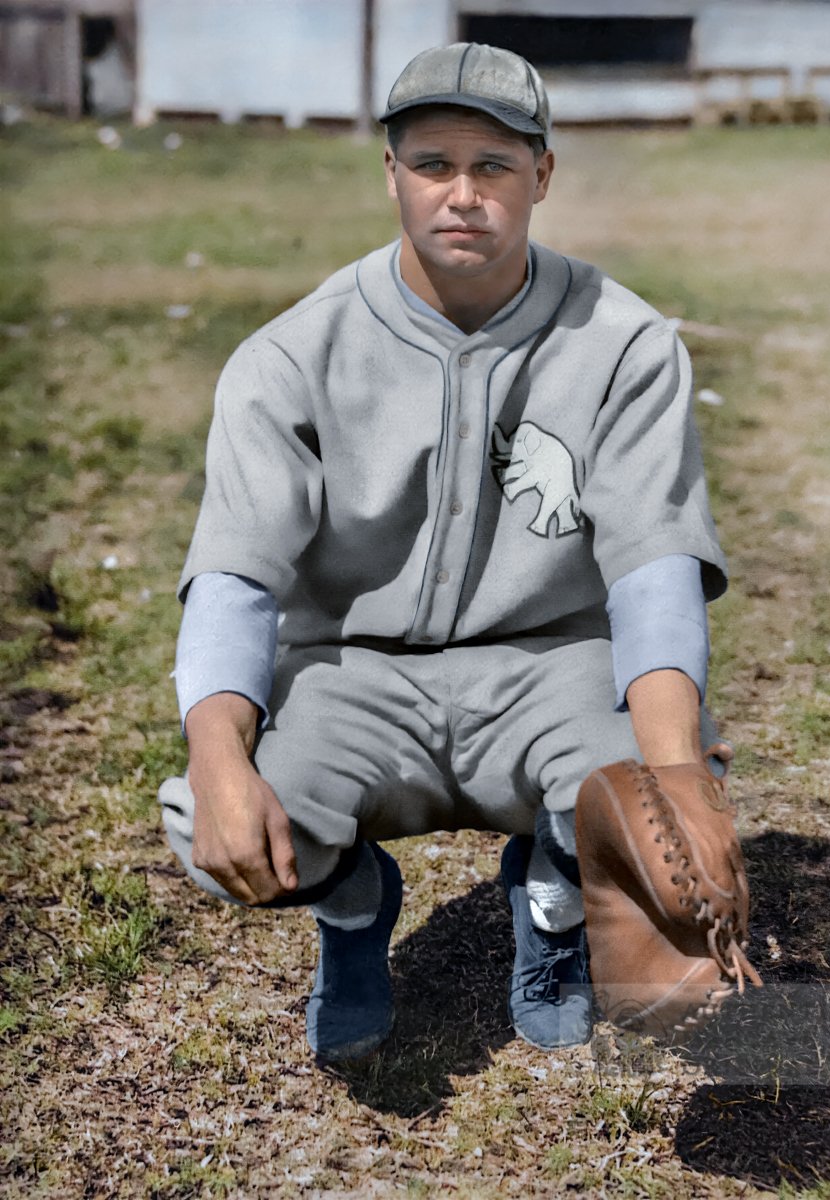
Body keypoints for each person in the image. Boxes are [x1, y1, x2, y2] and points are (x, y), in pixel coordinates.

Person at [158, 42, 727, 1061]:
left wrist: (678, 778)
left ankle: (551, 901)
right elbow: (237, 580)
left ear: (542, 175)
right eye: (431, 164)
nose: (462, 194)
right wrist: (217, 760)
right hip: (354, 675)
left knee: (649, 778)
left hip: (554, 664)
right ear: (391, 174)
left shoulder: (626, 344)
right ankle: (354, 909)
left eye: (494, 166)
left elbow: (656, 571)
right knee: (212, 824)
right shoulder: (289, 357)